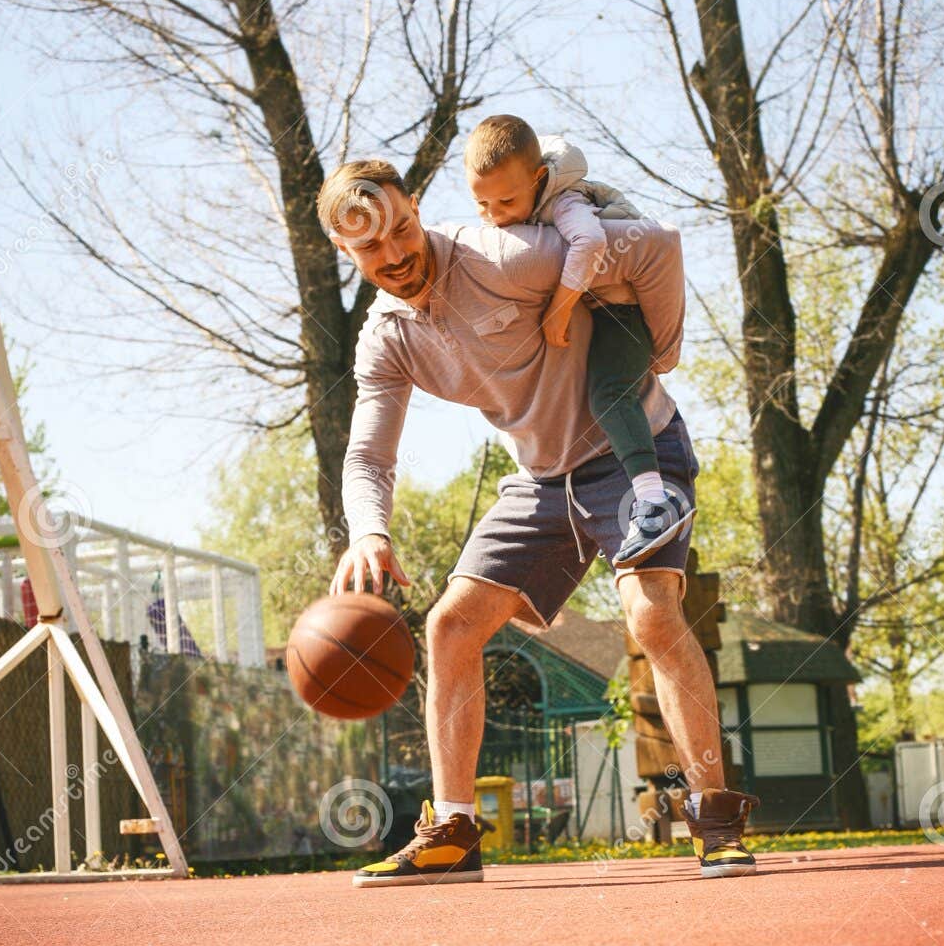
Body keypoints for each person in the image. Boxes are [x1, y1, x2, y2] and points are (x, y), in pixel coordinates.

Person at [318, 159, 759, 883]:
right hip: (541, 476)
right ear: (347, 251)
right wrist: (370, 529)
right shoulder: (388, 338)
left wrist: (663, 346)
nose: (395, 254)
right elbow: (367, 454)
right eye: (371, 248)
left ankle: (714, 816)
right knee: (450, 626)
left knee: (650, 615)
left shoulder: (502, 255)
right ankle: (455, 829)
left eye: (401, 228)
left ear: (417, 207)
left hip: (631, 448)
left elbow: (659, 246)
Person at [463, 114, 689, 570]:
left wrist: (560, 308)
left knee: (609, 395)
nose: (495, 215)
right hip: (597, 310)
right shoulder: (514, 211)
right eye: (482, 204)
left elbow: (590, 242)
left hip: (622, 313)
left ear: (539, 178)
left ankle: (652, 500)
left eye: (506, 200)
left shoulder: (564, 201)